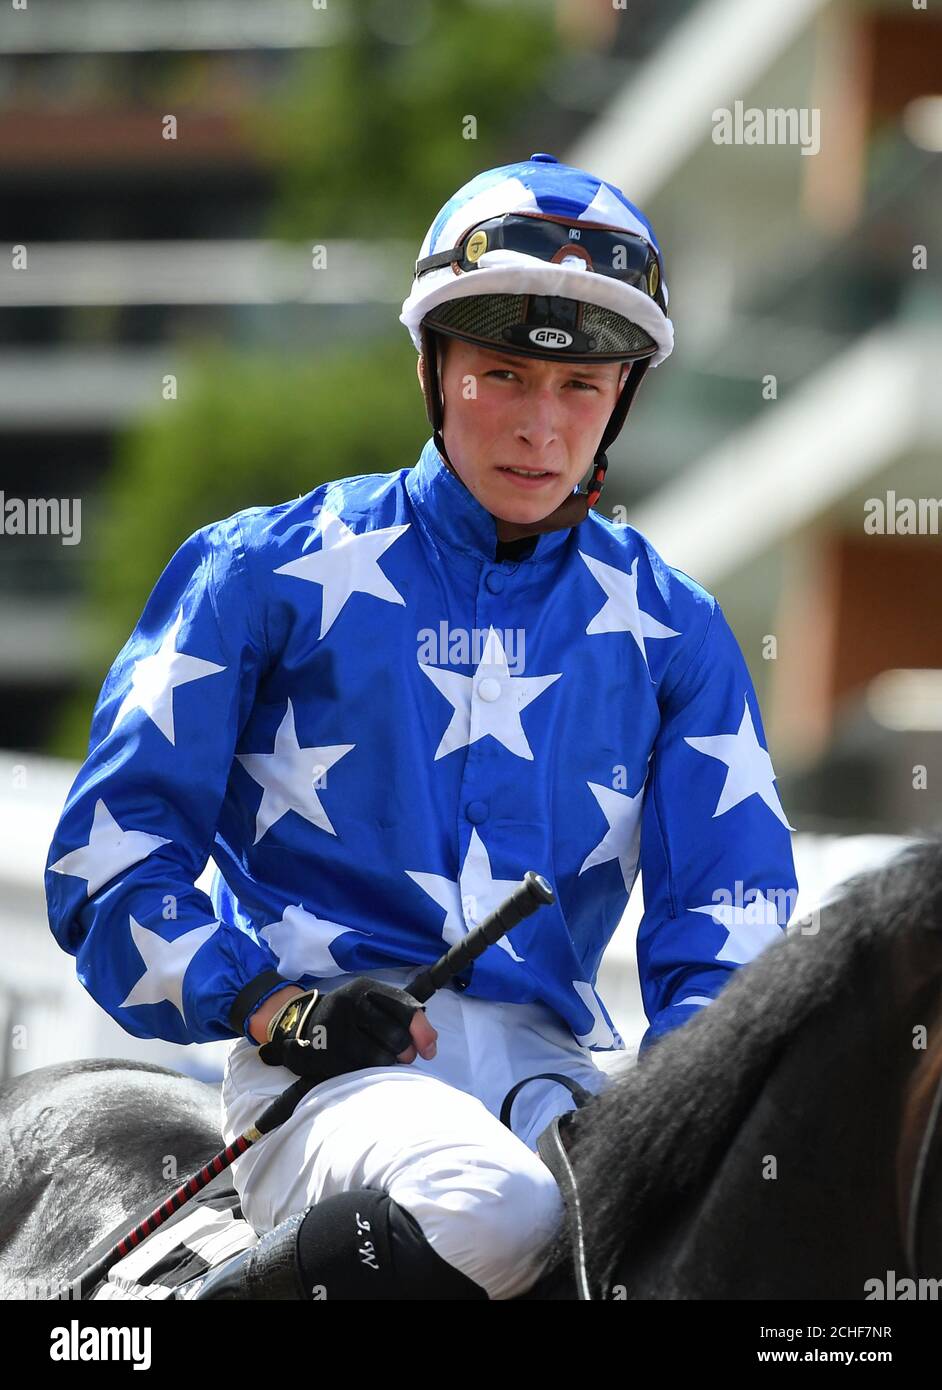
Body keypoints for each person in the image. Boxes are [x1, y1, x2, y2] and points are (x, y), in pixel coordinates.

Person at [45, 153, 798, 1300]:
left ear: (622, 399)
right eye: (503, 373)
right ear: (433, 368)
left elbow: (732, 923)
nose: (541, 428)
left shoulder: (676, 630)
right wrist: (273, 1007)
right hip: (329, 1075)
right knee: (489, 1211)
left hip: (554, 1074)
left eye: (580, 389)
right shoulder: (263, 568)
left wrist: (688, 1112)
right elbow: (107, 863)